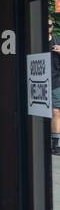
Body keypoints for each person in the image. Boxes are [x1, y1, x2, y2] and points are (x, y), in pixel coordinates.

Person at [51, 26, 60, 155]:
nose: (48, 28)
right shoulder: (36, 39)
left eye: (50, 25)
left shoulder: (57, 39)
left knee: (56, 111)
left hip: (55, 80)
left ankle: (56, 142)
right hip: (39, 80)